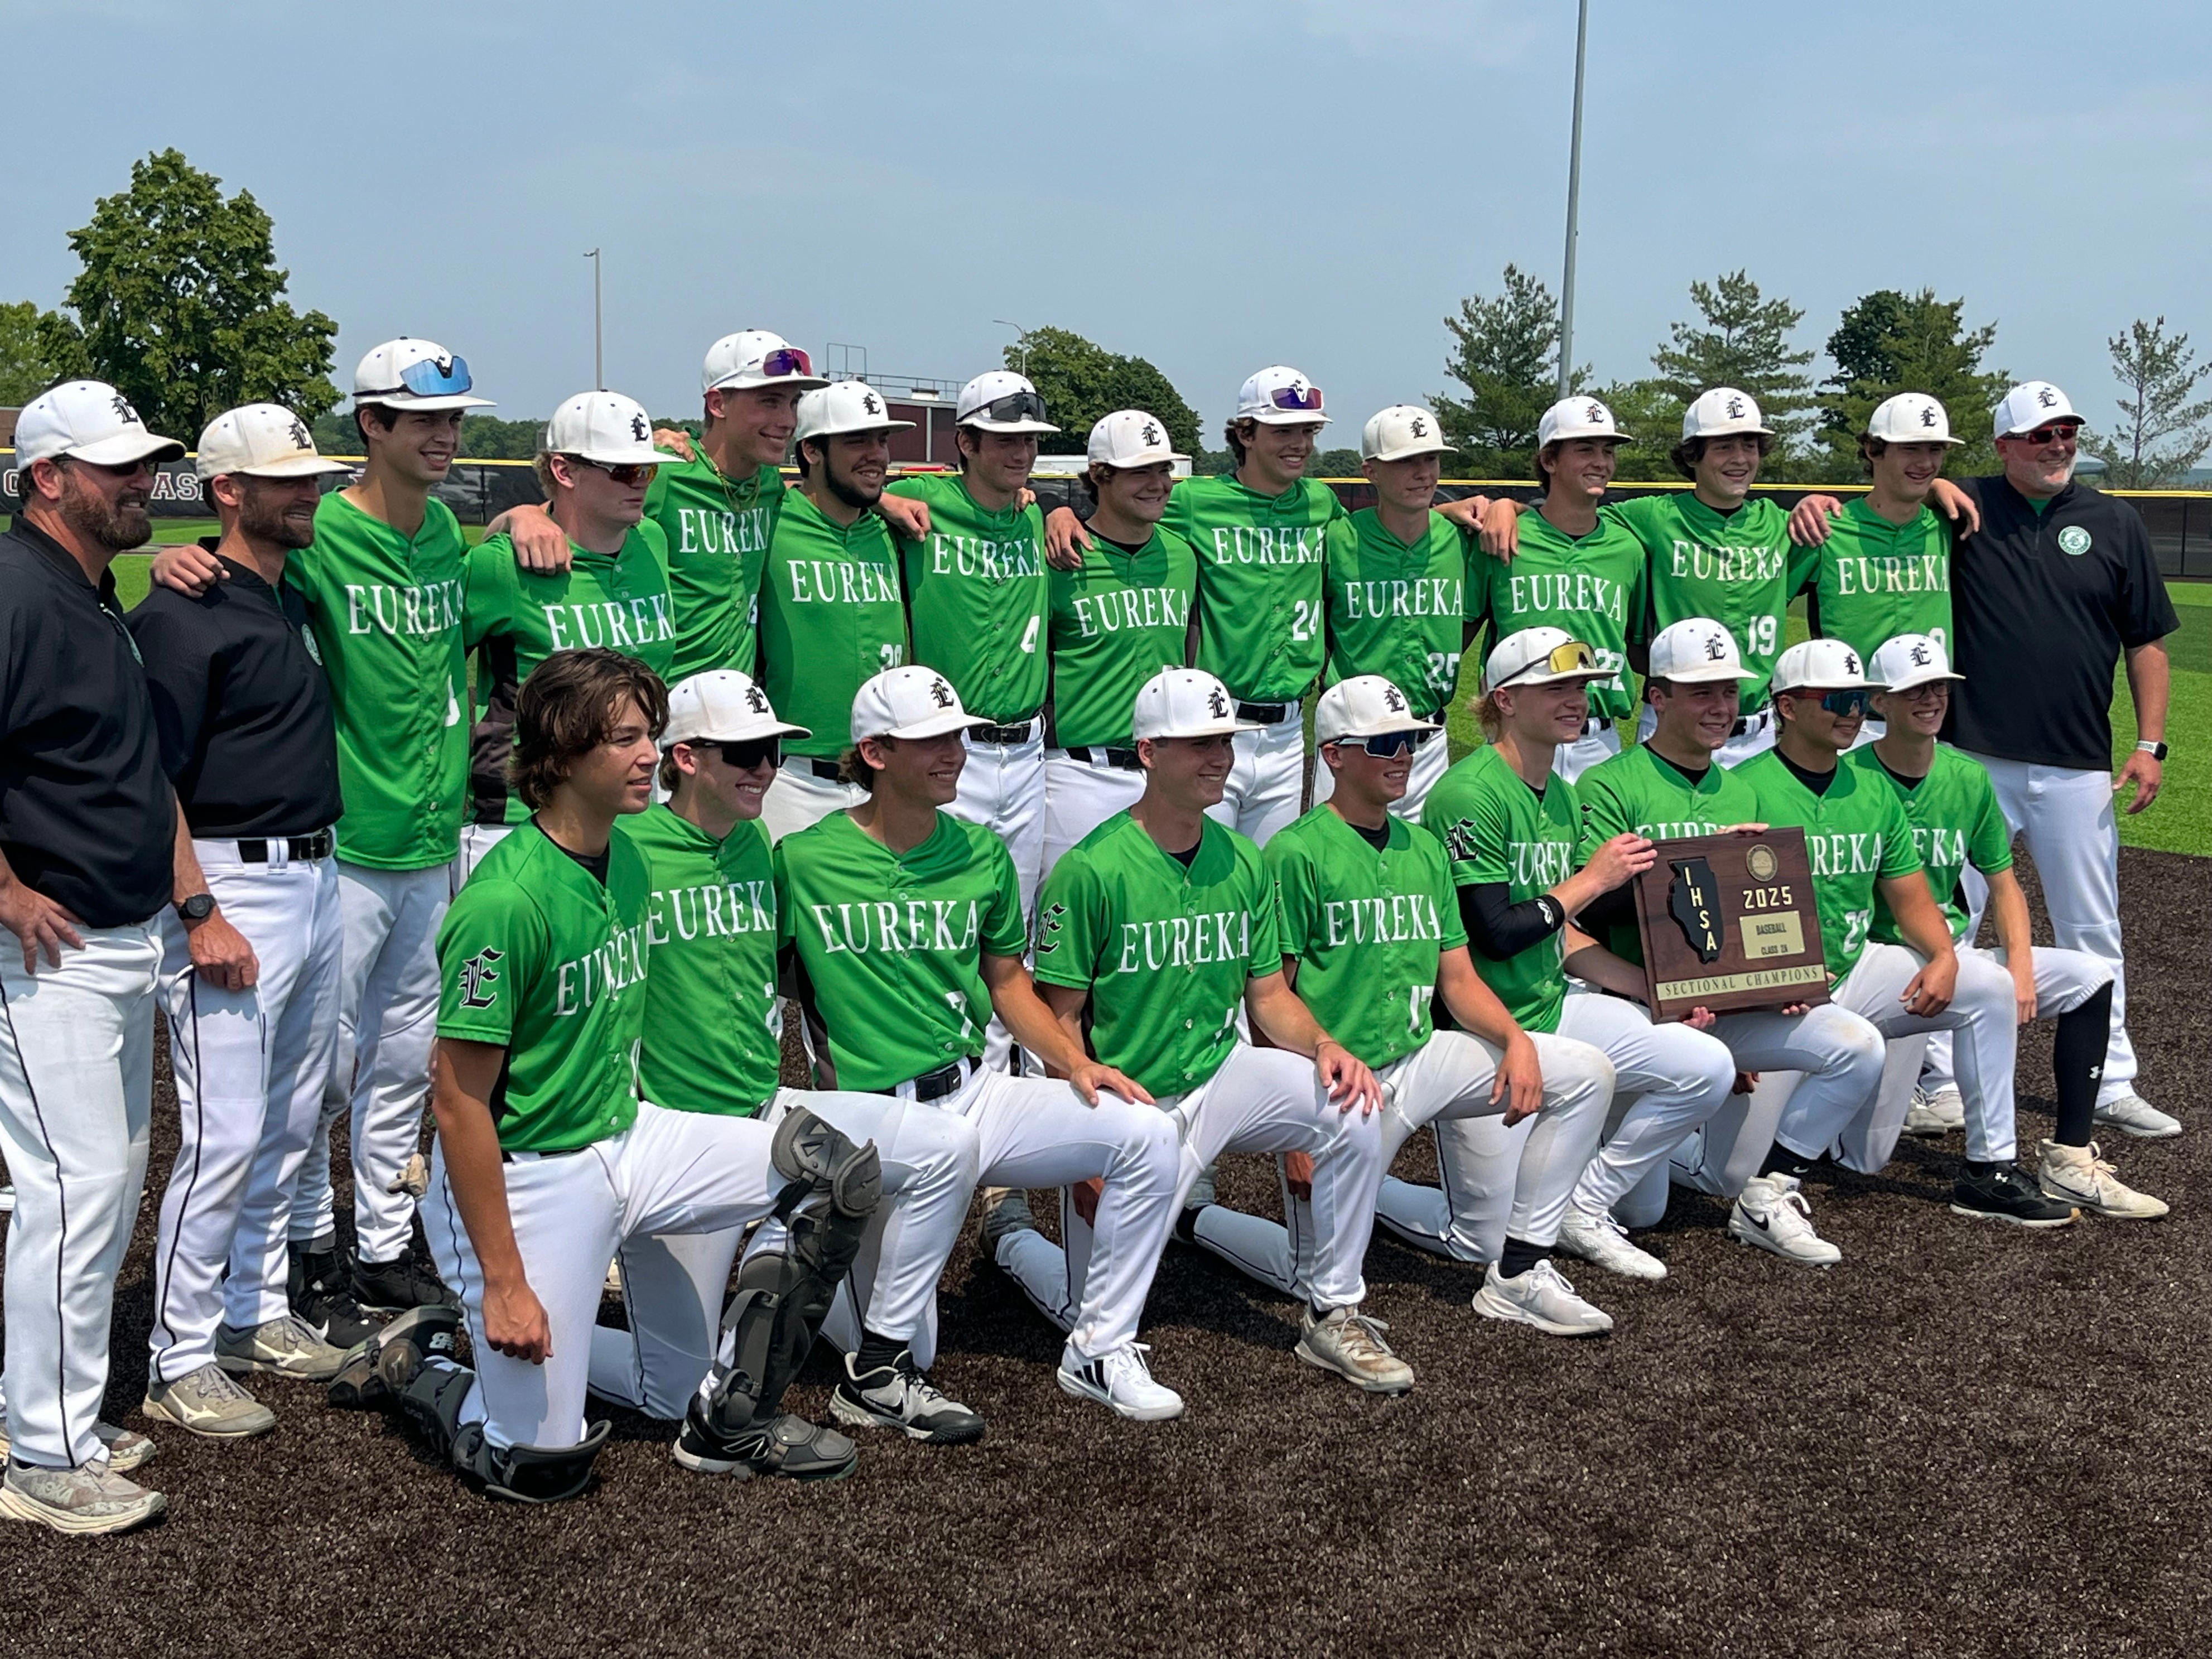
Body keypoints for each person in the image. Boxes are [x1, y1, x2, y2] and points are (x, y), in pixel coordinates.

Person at [327, 649, 879, 1497]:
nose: (649, 755)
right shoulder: (503, 901)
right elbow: (459, 1100)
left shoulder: (627, 857)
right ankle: (428, 1364)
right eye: (624, 738)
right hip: (532, 1173)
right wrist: (505, 1285)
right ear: (560, 751)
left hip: (630, 1132)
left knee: (832, 1175)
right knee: (535, 1467)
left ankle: (736, 1419)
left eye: (650, 735)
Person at [156, 337, 488, 1324]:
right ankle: (304, 1241)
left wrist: (522, 518)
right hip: (341, 842)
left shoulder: (451, 542)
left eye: (456, 419)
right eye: (423, 418)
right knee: (318, 1073)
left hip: (432, 839)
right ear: (371, 426)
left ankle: (380, 1244)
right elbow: (238, 578)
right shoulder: (322, 536)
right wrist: (189, 553)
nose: (446, 436)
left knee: (402, 1058)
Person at [579, 669, 981, 1460]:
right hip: (679, 1134)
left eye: (771, 753)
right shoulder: (625, 850)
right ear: (686, 758)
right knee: (676, 1390)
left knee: (947, 1148)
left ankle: (876, 1360)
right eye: (746, 754)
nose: (766, 769)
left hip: (765, 1110)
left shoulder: (758, 845)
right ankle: (508, 1326)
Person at [775, 667, 1182, 1429]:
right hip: (868, 1124)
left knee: (1148, 1133)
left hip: (972, 1095)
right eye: (931, 739)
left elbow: (1007, 983)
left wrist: (1076, 1060)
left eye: (957, 735)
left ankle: (1100, 1344)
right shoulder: (800, 860)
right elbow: (762, 981)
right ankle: (815, 1260)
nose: (955, 751)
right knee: (918, 1347)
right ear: (873, 752)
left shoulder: (981, 855)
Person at [1174, 676, 1620, 1337]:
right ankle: (1198, 1219)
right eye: (1383, 743)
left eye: (1409, 739)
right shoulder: (1294, 852)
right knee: (1306, 1274)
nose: (1403, 755)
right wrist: (1298, 1127)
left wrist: (1514, 1038)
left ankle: (1520, 1272)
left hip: (1421, 1056)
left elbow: (1460, 981)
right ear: (1333, 756)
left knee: (1585, 1072)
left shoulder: (1424, 848)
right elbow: (1269, 999)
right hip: (1344, 1084)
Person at [999, 668, 1404, 1392]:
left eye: (1224, 740)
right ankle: (1011, 1236)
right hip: (1134, 1101)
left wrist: (1321, 1044)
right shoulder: (1090, 869)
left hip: (1223, 1075)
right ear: (1149, 752)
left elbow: (1270, 995)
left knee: (1351, 1106)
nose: (1219, 757)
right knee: (1082, 1311)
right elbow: (1056, 1021)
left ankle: (1334, 1310)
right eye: (1199, 744)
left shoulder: (1244, 859)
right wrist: (1085, 1138)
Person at [1799, 383, 2180, 1141]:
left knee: (2090, 927)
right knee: (1950, 917)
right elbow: (1895, 486)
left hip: (2078, 762)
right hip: (1967, 754)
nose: (2056, 444)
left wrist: (2148, 743)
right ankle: (1939, 1081)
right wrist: (1828, 495)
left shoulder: (2113, 519)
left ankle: (2112, 1081)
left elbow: (2146, 641)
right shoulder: (1960, 508)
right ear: (2003, 445)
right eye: (2039, 434)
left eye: (2066, 430)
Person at [130, 406, 355, 1440]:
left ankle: (252, 1309)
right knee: (223, 1128)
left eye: (314, 476)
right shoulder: (182, 611)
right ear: (229, 490)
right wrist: (198, 907)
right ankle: (177, 1356)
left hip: (314, 871)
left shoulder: (287, 590)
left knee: (292, 1115)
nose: (308, 492)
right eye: (288, 480)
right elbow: (152, 777)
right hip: (230, 877)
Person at [0, 381, 184, 1532]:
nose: (141, 480)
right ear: (47, 478)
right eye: (116, 465)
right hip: (48, 949)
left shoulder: (89, 584)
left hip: (122, 936)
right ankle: (39, 1453)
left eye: (144, 461)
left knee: (102, 1188)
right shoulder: (14, 588)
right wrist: (5, 886)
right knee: (71, 1195)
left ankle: (50, 1408)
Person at [1419, 629, 1739, 1283]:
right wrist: (1593, 879)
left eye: (1580, 687)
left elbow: (1560, 932)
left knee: (1704, 1063)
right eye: (1555, 687)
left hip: (1550, 1005)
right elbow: (1495, 934)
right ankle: (1368, 1196)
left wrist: (1649, 991)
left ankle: (1582, 1207)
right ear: (1504, 700)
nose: (1576, 700)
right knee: (1476, 1240)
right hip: (1482, 1026)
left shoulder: (1560, 793)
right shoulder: (1467, 792)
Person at [1566, 620, 1890, 1265]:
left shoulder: (1741, 788)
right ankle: (1584, 1179)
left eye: (1729, 692)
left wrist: (1778, 977)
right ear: (1656, 697)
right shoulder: (1608, 783)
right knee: (1644, 1211)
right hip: (1636, 1007)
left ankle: (1770, 1194)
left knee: (1854, 1044)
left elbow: (1753, 913)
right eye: (1701, 693)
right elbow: (1590, 909)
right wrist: (1694, 862)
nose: (1721, 708)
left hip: (1721, 1008)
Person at [1723, 640, 2075, 1226]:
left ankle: (1987, 1170)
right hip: (1775, 993)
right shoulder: (1740, 787)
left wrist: (1940, 952)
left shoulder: (1870, 788)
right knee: (1720, 1173)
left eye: (1859, 698)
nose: (1851, 712)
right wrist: (1744, 1001)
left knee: (1984, 985)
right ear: (1785, 707)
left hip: (1851, 968)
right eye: (1836, 698)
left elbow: (1909, 895)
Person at [1828, 635, 2163, 1218]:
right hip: (1870, 963)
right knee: (1860, 1157)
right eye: (1913, 690)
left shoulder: (1966, 776)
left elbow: (2004, 883)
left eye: (1937, 687)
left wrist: (2020, 964)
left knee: (2088, 976)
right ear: (1878, 702)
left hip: (1944, 960)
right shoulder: (1847, 778)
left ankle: (2060, 1160)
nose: (1930, 699)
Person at [1045, 366, 1342, 846]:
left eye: (1309, 430)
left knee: (1269, 880)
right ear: (1245, 432)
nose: (1300, 443)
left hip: (1289, 729)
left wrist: (1456, 509)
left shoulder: (1321, 503)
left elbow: (1385, 532)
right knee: (1200, 875)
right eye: (1284, 430)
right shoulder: (1192, 502)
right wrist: (1056, 511)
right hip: (1208, 724)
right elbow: (1117, 514)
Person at [1481, 389, 1800, 766]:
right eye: (1723, 446)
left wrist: (1816, 503)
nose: (1740, 458)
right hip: (1648, 725)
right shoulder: (1647, 520)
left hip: (1745, 733)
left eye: (1750, 445)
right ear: (1693, 454)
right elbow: (1563, 515)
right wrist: (1501, 506)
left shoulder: (1785, 527)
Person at [459, 390, 676, 876]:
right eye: (623, 470)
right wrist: (515, 518)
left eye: (647, 470)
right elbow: (436, 666)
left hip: (634, 811)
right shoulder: (503, 566)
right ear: (564, 471)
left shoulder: (654, 543)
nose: (639, 482)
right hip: (524, 820)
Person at [889, 371, 1058, 923]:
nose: (1022, 452)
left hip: (1028, 751)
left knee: (1019, 918)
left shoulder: (1035, 515)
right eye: (1006, 439)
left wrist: (1055, 508)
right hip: (949, 746)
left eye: (1030, 440)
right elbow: (829, 494)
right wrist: (884, 498)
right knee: (941, 908)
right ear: (966, 442)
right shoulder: (925, 501)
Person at [1040, 411, 1199, 880]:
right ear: (1099, 475)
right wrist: (1053, 506)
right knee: (1067, 921)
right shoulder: (1060, 554)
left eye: (1163, 470)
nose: (1157, 484)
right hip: (1078, 774)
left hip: (1165, 772)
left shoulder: (1182, 555)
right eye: (1139, 471)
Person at [755, 382, 916, 843]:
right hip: (795, 780)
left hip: (884, 780)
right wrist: (532, 514)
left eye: (881, 440)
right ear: (811, 450)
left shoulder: (893, 529)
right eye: (856, 441)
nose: (876, 454)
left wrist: (1054, 515)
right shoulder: (770, 517)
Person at [1466, 398, 1647, 781]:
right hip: (1516, 737)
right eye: (1585, 449)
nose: (1601, 461)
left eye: (1608, 451)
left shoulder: (1628, 549)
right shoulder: (1502, 538)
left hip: (1599, 740)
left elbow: (1635, 642)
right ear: (1549, 461)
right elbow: (1459, 635)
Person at [1312, 407, 1474, 819]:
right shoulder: (1337, 538)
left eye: (1430, 459)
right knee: (1342, 867)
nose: (1423, 473)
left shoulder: (1462, 540)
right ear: (1371, 471)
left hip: (1429, 737)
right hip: (1354, 742)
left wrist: (1504, 507)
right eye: (1405, 461)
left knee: (1422, 872)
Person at [1784, 393, 1960, 747]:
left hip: (1933, 722)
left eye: (1935, 449)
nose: (1926, 462)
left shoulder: (1950, 527)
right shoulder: (1828, 529)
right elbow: (1764, 602)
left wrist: (1942, 487)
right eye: (1911, 449)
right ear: (1873, 450)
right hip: (1850, 723)